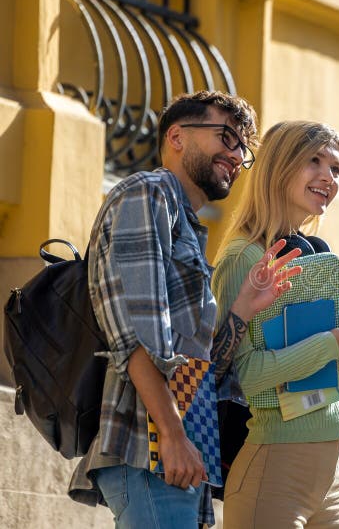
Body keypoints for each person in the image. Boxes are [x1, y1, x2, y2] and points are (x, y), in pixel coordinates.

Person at [67, 91, 303, 527]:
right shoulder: (148, 193)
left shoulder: (188, 224)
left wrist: (241, 310)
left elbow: (201, 369)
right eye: (226, 137)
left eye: (242, 148)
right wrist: (172, 436)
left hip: (187, 452)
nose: (236, 155)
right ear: (177, 136)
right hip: (153, 446)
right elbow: (136, 335)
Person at [212, 120, 339, 529]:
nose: (328, 177)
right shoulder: (244, 257)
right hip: (274, 470)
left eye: (336, 168)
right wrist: (333, 343)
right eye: (314, 161)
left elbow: (325, 383)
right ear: (279, 165)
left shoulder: (312, 255)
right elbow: (244, 375)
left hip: (333, 473)